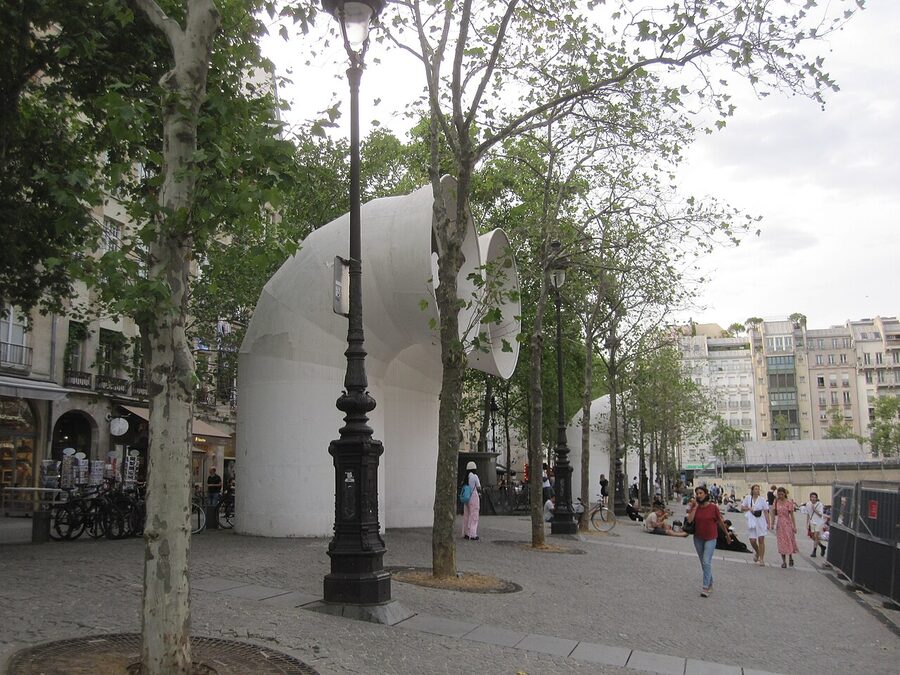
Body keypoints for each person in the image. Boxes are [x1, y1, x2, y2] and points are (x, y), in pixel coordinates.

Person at [686, 485, 732, 597]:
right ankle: (710, 582)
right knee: (703, 562)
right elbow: (689, 520)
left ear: (706, 494)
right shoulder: (695, 507)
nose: (699, 495)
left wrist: (727, 535)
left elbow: (720, 521)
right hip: (698, 538)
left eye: (701, 493)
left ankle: (705, 587)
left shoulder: (713, 507)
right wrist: (696, 507)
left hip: (711, 538)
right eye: (697, 493)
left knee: (706, 561)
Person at [741, 484, 769, 566]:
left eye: (758, 489)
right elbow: (742, 508)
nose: (757, 490)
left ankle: (761, 559)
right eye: (756, 489)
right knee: (752, 541)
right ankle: (757, 552)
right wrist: (749, 508)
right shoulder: (748, 498)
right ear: (752, 490)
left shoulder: (762, 499)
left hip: (760, 520)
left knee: (761, 539)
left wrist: (768, 523)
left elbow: (766, 511)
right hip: (752, 520)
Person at [771, 486, 799, 568]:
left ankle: (790, 557)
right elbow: (773, 513)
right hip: (780, 524)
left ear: (785, 494)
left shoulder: (788, 502)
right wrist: (772, 523)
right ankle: (784, 561)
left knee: (789, 540)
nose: (780, 496)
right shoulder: (776, 502)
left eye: (782, 494)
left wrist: (794, 526)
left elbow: (792, 515)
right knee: (781, 542)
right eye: (779, 494)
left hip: (787, 524)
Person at [462, 461, 481, 540]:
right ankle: (472, 534)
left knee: (466, 515)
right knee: (474, 515)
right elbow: (479, 486)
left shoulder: (466, 477)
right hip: (473, 496)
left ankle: (466, 533)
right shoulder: (474, 476)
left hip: (466, 497)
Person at [805, 492, 827, 558]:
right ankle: (822, 546)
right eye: (812, 497)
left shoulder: (819, 504)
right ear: (810, 498)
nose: (813, 498)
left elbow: (820, 515)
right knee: (813, 537)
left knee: (816, 535)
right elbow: (808, 514)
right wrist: (807, 523)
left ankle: (814, 551)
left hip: (819, 522)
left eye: (815, 497)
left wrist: (814, 509)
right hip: (812, 522)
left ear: (816, 498)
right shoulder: (808, 504)